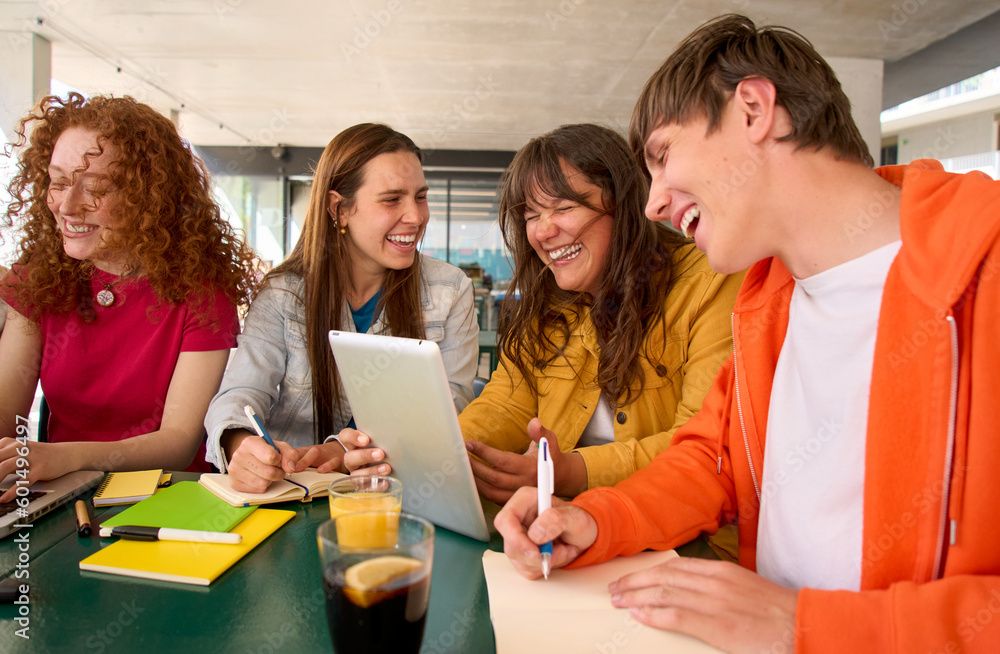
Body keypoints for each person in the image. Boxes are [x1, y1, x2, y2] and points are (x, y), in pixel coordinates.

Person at [495, 14, 1000, 654]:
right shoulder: (769, 301)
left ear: (756, 109)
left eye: (663, 155)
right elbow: (713, 461)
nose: (651, 205)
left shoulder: (985, 266)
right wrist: (594, 518)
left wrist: (806, 626)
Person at [344, 124, 743, 554]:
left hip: (685, 544)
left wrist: (571, 471)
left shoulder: (710, 282)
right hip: (563, 531)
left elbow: (702, 447)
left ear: (624, 206)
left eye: (563, 207)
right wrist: (436, 456)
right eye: (531, 215)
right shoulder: (547, 300)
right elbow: (505, 404)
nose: (543, 231)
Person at [0, 93, 256, 503]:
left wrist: (59, 458)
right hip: (60, 493)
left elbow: (176, 443)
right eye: (59, 181)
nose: (67, 206)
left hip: (168, 497)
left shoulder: (202, 294)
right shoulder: (38, 277)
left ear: (148, 198)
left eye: (96, 188)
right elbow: (5, 416)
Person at [204, 123, 478, 494]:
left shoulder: (450, 290)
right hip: (290, 491)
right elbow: (240, 394)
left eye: (421, 196)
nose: (415, 217)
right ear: (340, 209)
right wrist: (240, 445)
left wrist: (342, 448)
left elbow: (450, 407)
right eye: (392, 199)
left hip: (400, 494)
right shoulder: (284, 293)